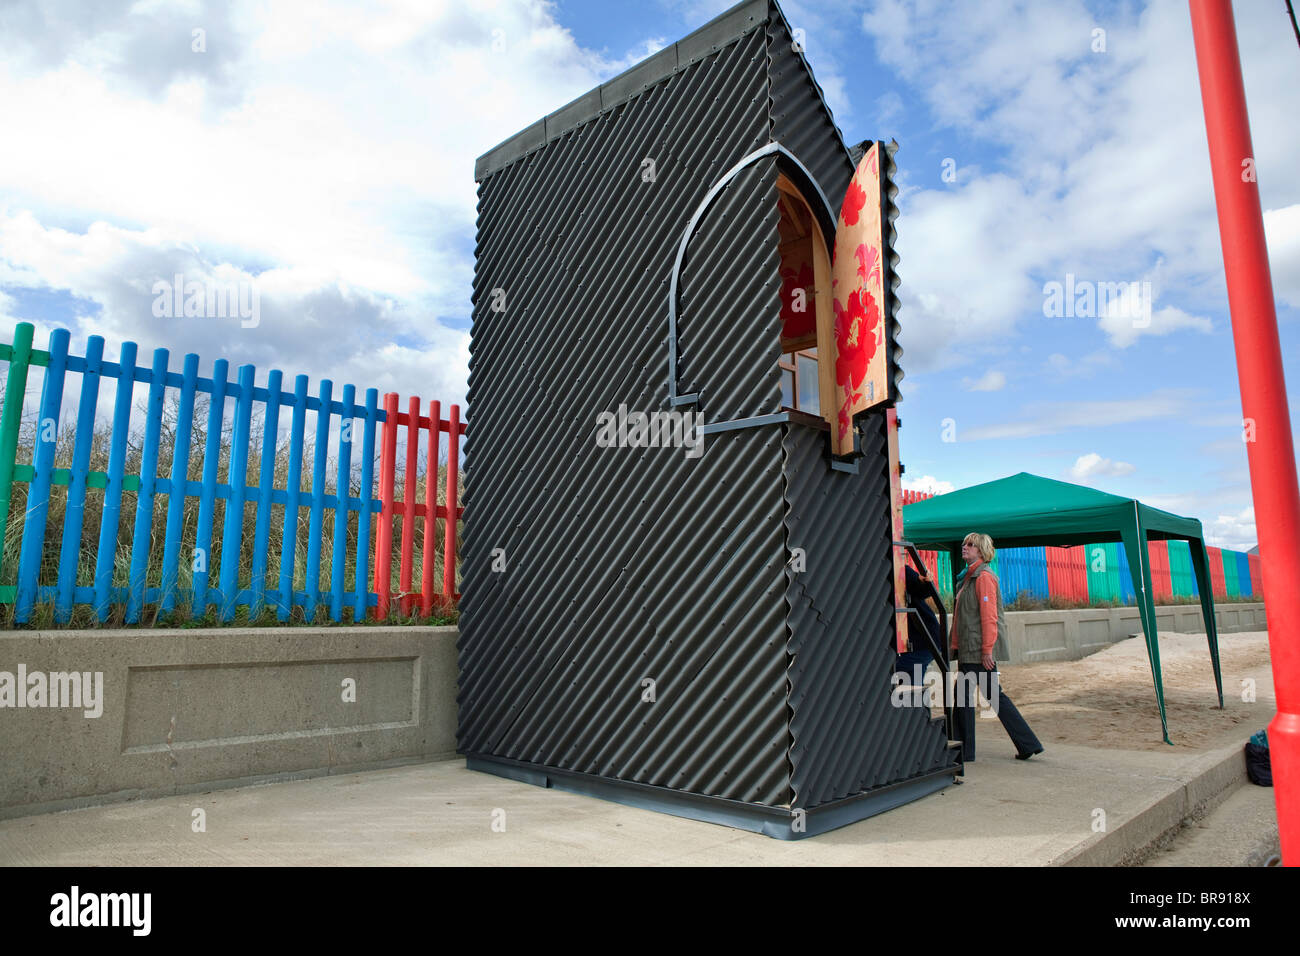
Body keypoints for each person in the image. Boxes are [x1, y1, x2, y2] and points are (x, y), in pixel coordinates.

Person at [949, 532, 1044, 763]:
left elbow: (989, 616)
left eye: (970, 545)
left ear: (981, 550)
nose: (964, 547)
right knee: (982, 695)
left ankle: (963, 750)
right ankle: (1027, 743)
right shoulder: (968, 577)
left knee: (968, 695)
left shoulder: (983, 577)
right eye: (964, 544)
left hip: (977, 648)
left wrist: (987, 650)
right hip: (969, 647)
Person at [896, 564, 941, 689]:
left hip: (924, 640)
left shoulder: (899, 568)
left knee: (891, 672)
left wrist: (924, 581)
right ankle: (921, 708)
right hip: (917, 643)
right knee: (913, 688)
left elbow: (922, 589)